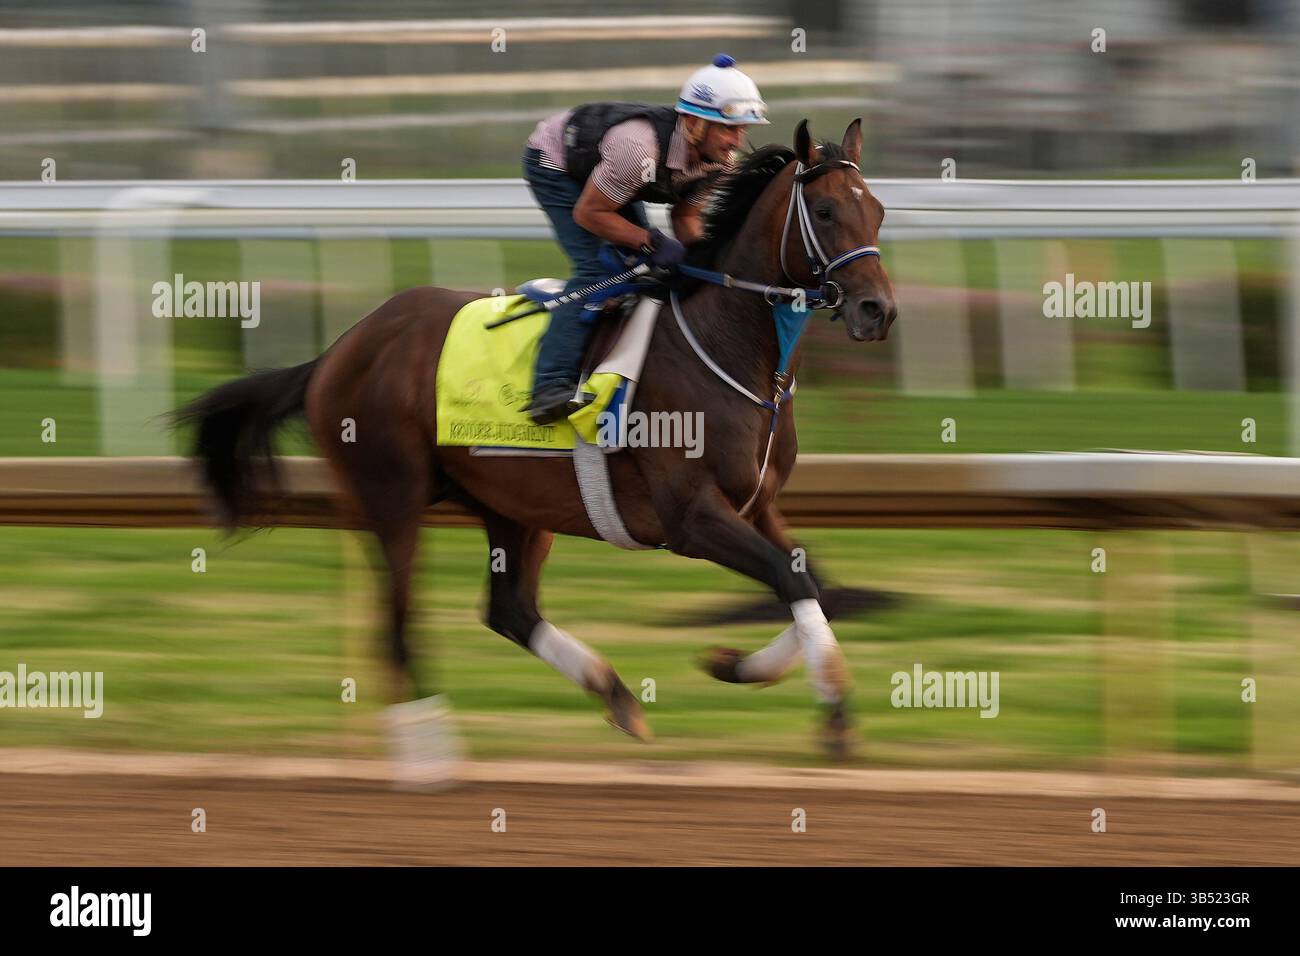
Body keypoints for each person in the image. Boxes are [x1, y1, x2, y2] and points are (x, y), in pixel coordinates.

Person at [520, 54, 769, 424]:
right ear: (696, 124)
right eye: (728, 128)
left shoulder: (719, 161)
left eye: (743, 130)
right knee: (600, 269)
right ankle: (549, 385)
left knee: (644, 271)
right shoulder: (638, 151)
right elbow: (588, 214)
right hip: (557, 166)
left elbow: (686, 216)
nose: (737, 141)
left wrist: (702, 260)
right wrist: (650, 241)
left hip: (609, 178)